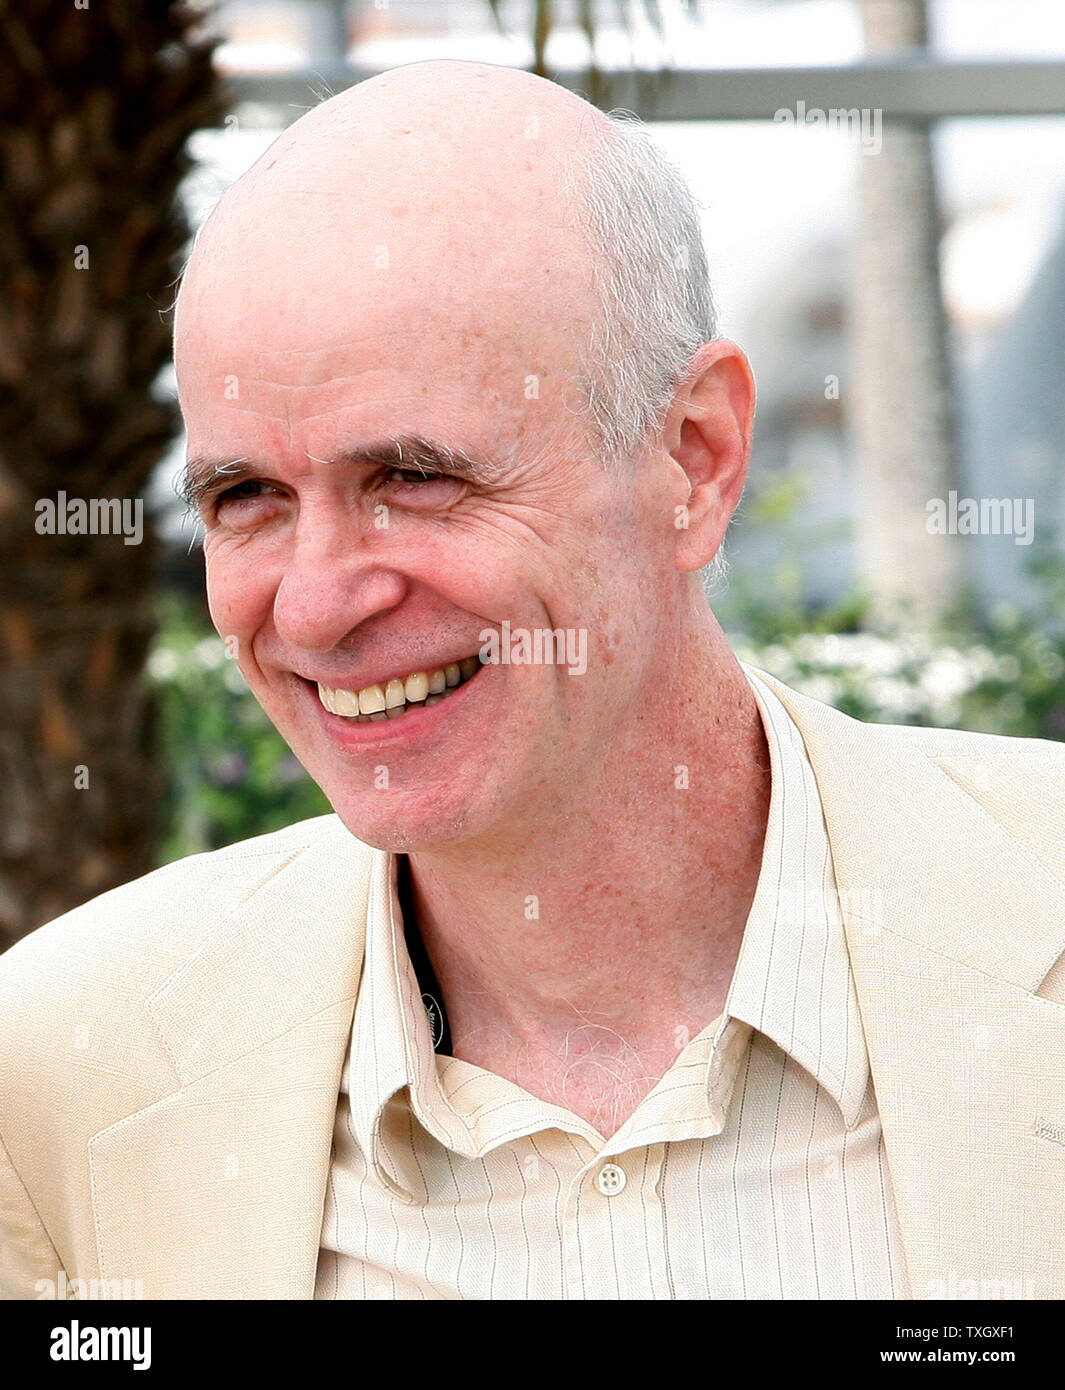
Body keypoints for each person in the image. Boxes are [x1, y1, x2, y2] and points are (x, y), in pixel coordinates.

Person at [2, 58, 1064, 1303]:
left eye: (413, 477)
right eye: (248, 498)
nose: (317, 603)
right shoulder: (65, 1072)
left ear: (694, 457)